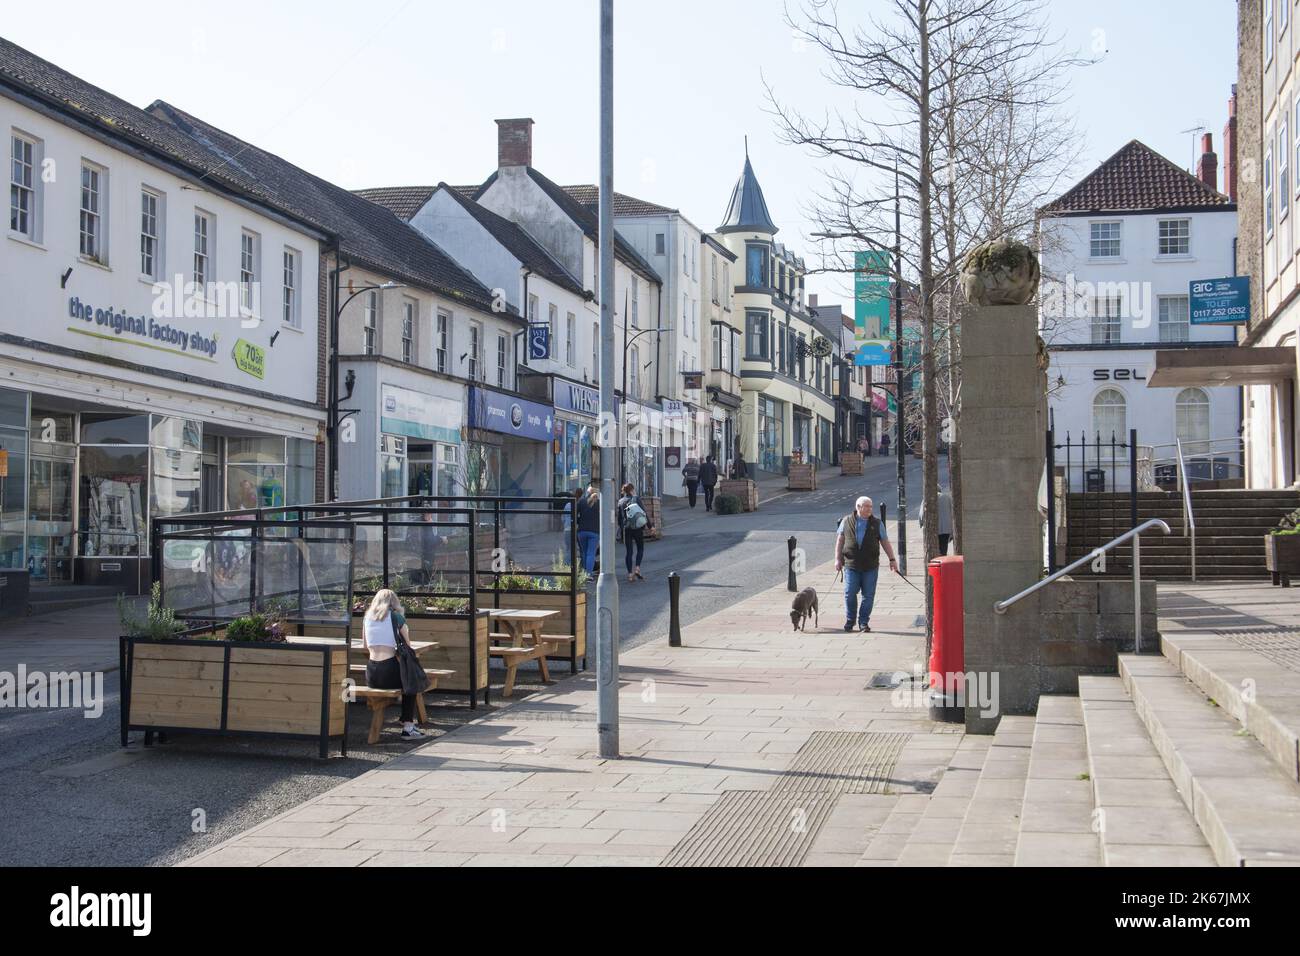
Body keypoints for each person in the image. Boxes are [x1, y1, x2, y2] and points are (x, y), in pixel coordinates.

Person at [362, 589, 423, 739]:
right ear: (394, 602)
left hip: (371, 674)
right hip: (388, 670)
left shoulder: (367, 618)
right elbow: (408, 646)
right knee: (411, 681)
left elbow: (365, 645)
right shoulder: (396, 617)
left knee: (408, 679)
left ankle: (405, 720)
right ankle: (408, 726)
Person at [834, 495, 899, 633]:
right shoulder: (846, 521)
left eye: (871, 506)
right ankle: (850, 620)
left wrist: (892, 559)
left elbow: (885, 542)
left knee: (868, 595)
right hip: (851, 564)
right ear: (858, 507)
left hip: (870, 565)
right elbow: (840, 541)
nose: (870, 509)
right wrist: (838, 559)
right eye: (867, 506)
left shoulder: (877, 523)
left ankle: (863, 622)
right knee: (850, 592)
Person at [616, 482, 651, 582]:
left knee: (629, 551)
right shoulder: (636, 499)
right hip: (638, 528)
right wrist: (650, 526)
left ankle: (630, 574)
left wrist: (621, 527)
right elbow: (643, 513)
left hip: (627, 529)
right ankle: (637, 568)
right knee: (640, 548)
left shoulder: (621, 501)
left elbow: (619, 519)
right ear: (632, 490)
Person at [920, 488, 954, 556]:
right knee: (943, 547)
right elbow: (952, 512)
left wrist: (921, 524)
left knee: (933, 548)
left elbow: (921, 514)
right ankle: (943, 560)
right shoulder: (947, 497)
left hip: (932, 528)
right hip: (946, 528)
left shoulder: (927, 498)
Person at [575, 484, 601, 573]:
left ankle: (584, 574)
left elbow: (574, 515)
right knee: (591, 554)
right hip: (594, 531)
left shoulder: (581, 501)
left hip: (581, 531)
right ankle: (588, 574)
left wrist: (580, 521)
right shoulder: (599, 503)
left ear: (588, 492)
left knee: (584, 553)